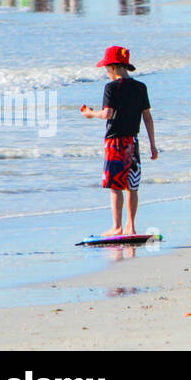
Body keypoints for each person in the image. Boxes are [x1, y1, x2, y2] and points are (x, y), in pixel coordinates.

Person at [80, 46, 157, 237]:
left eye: (107, 68)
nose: (106, 72)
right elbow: (147, 117)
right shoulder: (141, 87)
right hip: (133, 142)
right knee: (132, 185)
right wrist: (153, 145)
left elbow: (107, 114)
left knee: (115, 186)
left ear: (114, 67)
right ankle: (131, 227)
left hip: (115, 143)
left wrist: (90, 113)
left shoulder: (111, 87)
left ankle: (117, 226)